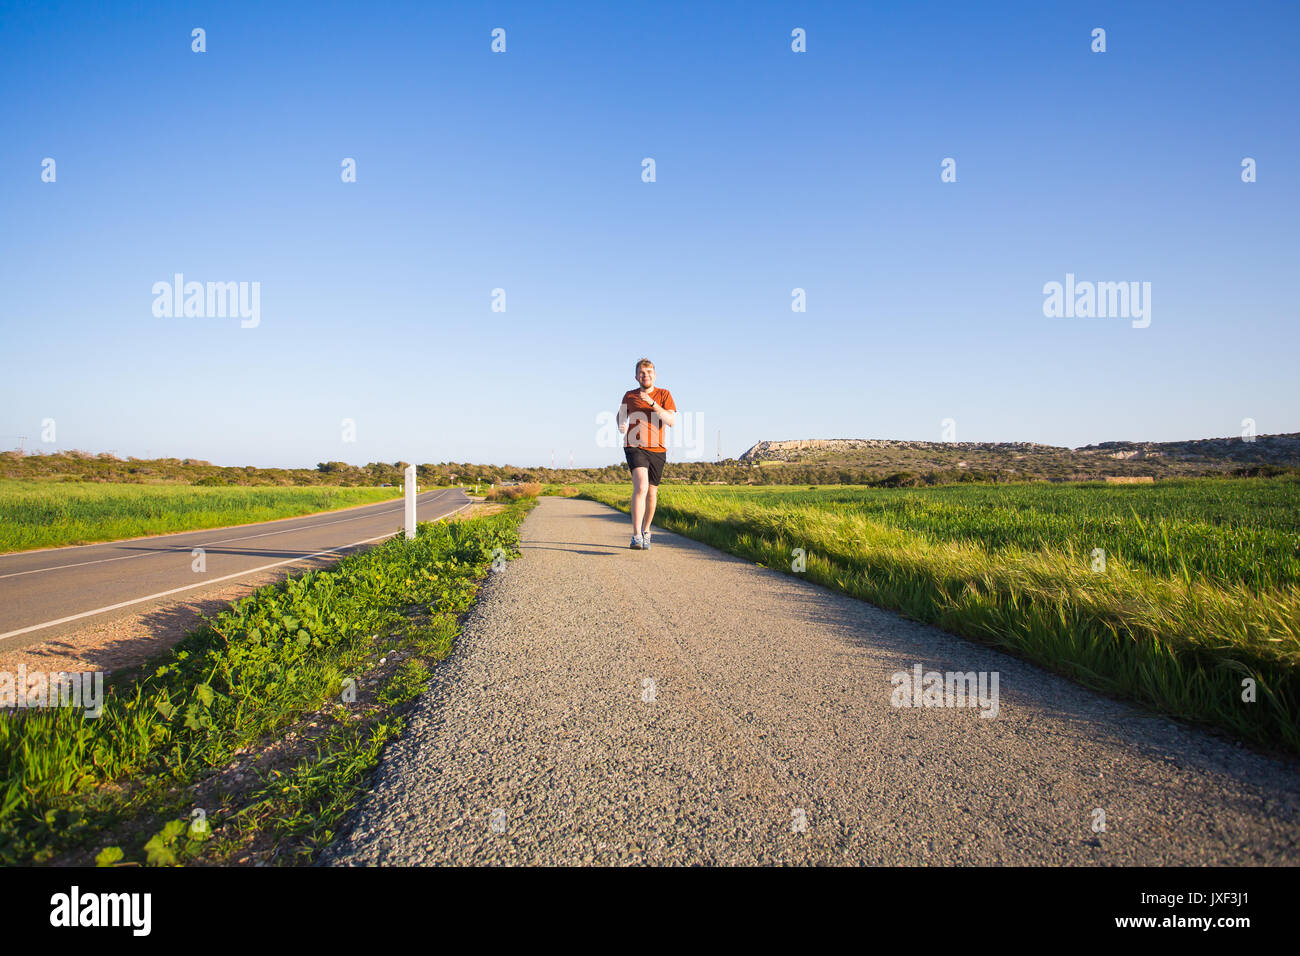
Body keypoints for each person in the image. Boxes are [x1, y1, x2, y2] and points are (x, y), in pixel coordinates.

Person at [617, 358, 676, 550]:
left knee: (652, 493)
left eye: (649, 372)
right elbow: (620, 414)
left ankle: (646, 530)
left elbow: (670, 421)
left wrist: (652, 403)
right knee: (641, 487)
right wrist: (621, 423)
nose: (646, 375)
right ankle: (636, 535)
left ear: (655, 375)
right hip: (634, 446)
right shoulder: (629, 395)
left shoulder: (664, 394)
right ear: (636, 377)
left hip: (658, 449)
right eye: (642, 373)